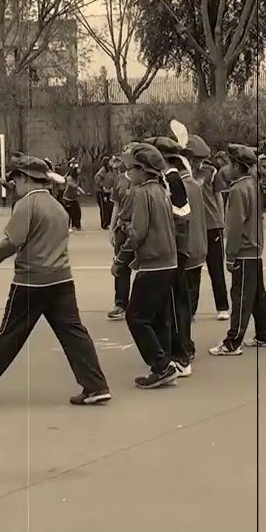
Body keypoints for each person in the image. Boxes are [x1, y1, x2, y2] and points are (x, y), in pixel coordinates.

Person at [0, 156, 112, 407]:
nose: (15, 185)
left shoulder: (26, 205)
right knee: (74, 333)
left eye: (16, 180)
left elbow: (12, 242)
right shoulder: (57, 206)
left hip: (31, 281)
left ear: (24, 178)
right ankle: (95, 385)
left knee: (10, 334)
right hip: (61, 279)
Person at [114, 144, 180, 389]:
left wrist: (122, 258)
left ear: (142, 170)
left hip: (152, 264)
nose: (129, 173)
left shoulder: (141, 193)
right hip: (168, 261)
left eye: (131, 169)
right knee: (158, 316)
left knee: (136, 316)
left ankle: (161, 366)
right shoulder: (162, 190)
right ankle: (165, 360)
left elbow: (139, 231)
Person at [209, 144, 266, 356]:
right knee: (257, 295)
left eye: (229, 163)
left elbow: (235, 225)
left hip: (244, 250)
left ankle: (232, 341)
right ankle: (265, 334)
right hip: (255, 248)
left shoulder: (238, 189)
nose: (226, 168)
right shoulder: (253, 185)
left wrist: (230, 255)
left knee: (241, 296)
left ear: (237, 165)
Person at [149, 135, 203, 376]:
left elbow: (181, 217)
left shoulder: (171, 180)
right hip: (175, 250)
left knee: (174, 302)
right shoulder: (168, 179)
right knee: (174, 301)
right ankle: (180, 349)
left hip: (174, 252)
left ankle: (180, 355)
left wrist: (171, 246)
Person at [188, 136, 230, 322]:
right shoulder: (184, 174)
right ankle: (190, 309)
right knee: (192, 270)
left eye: (198, 158)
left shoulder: (211, 171)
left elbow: (219, 196)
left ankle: (222, 307)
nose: (195, 162)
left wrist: (222, 221)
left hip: (212, 226)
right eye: (192, 158)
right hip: (193, 226)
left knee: (216, 268)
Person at [107, 154, 133, 321]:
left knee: (146, 268)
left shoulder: (149, 178)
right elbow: (116, 205)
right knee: (121, 266)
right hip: (122, 227)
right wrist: (112, 227)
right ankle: (121, 304)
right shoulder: (119, 180)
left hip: (140, 227)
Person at [62, 162, 86, 231]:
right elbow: (72, 185)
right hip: (68, 199)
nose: (79, 171)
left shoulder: (77, 178)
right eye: (77, 170)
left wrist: (78, 192)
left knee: (78, 212)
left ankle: (76, 226)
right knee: (69, 214)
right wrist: (81, 190)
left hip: (74, 198)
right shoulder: (69, 178)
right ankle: (68, 227)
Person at [95, 158, 116, 230]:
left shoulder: (112, 170)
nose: (112, 163)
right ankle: (104, 223)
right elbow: (97, 178)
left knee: (110, 207)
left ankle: (109, 222)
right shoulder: (103, 170)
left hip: (109, 191)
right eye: (111, 161)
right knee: (104, 208)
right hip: (102, 192)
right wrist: (102, 187)